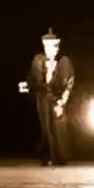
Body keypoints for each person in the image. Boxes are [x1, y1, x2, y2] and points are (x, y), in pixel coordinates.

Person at [21, 29, 75, 165]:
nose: (52, 50)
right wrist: (26, 86)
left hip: (57, 98)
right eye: (49, 47)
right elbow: (33, 79)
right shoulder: (38, 60)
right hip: (43, 97)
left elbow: (69, 82)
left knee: (58, 127)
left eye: (55, 47)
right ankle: (46, 155)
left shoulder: (64, 61)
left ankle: (60, 157)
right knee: (45, 126)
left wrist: (62, 102)